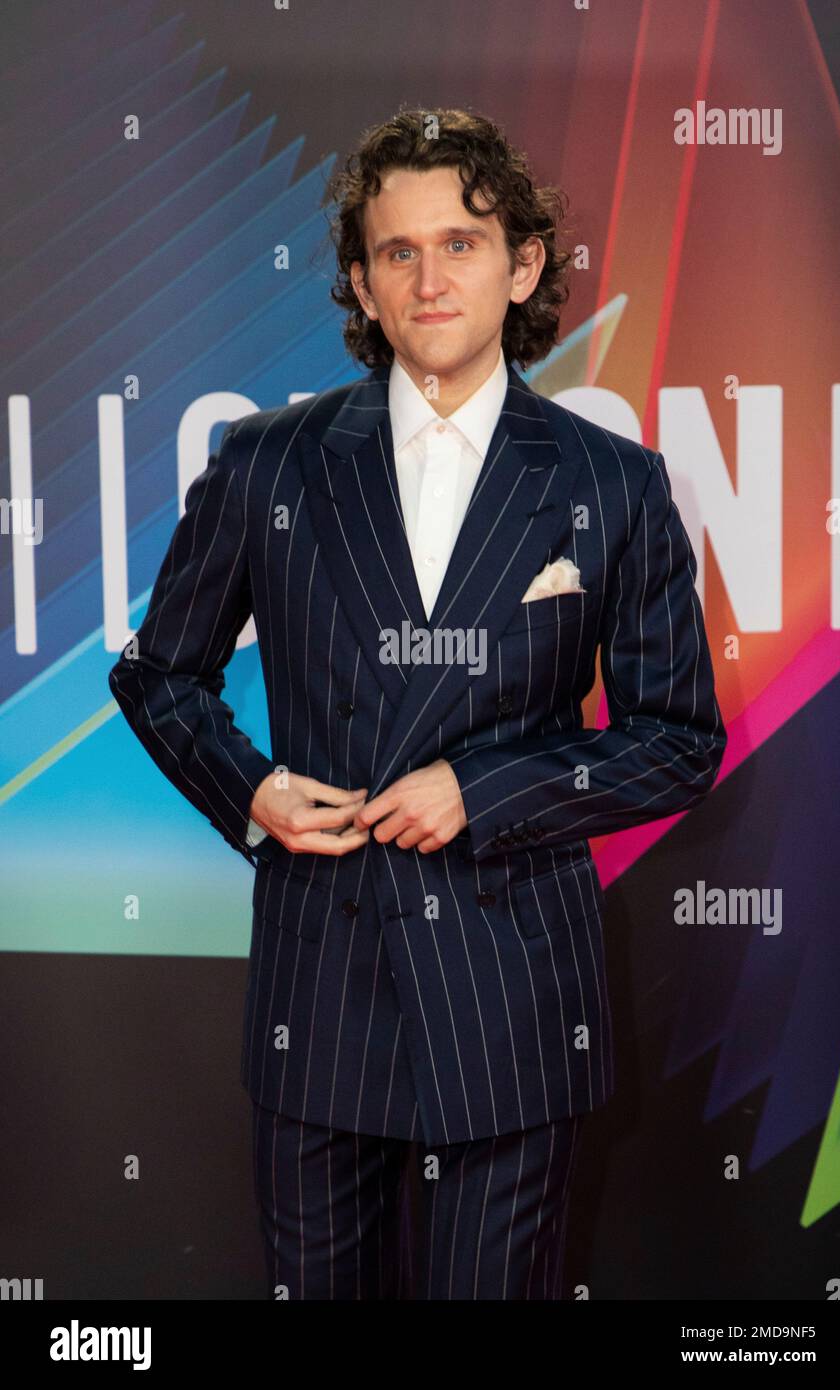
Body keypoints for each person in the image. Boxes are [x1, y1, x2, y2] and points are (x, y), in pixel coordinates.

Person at [108, 106, 726, 1300]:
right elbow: (157, 672)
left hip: (514, 1007)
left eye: (460, 243)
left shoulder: (613, 481)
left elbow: (675, 742)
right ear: (359, 280)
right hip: (319, 998)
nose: (429, 278)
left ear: (523, 266)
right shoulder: (264, 463)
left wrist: (481, 790)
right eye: (398, 252)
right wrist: (254, 794)